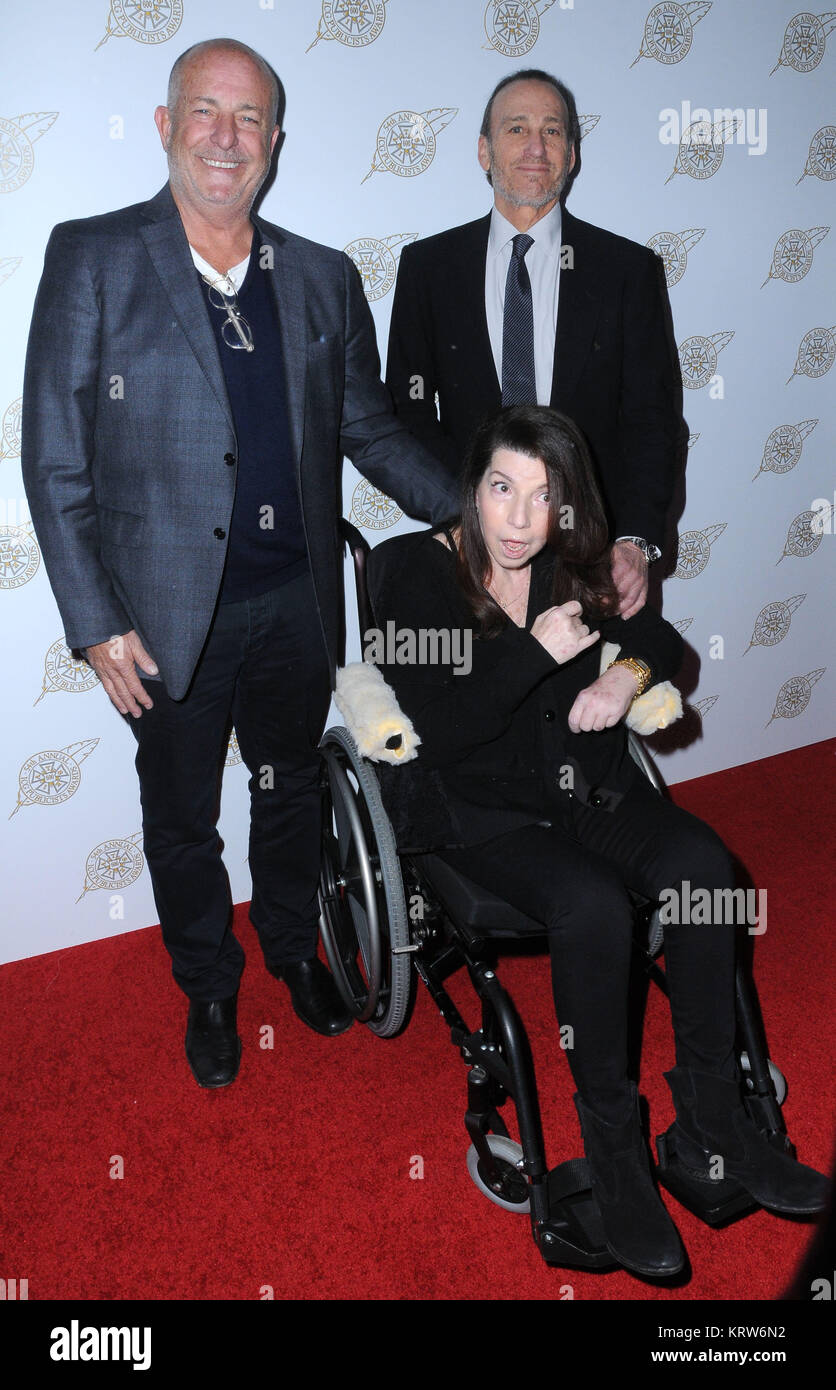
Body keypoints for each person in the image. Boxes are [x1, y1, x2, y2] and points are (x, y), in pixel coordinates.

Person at [21, 38, 457, 1089]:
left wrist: (473, 516)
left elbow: (368, 425)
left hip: (295, 602)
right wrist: (93, 618)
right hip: (162, 617)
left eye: (249, 117)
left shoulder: (320, 275)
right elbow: (53, 454)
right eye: (205, 112)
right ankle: (208, 984)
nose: (226, 137)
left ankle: (295, 950)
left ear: (274, 139)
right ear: (166, 126)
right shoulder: (93, 256)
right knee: (181, 817)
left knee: (288, 786)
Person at [367, 405, 828, 1278]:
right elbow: (440, 729)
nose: (517, 518)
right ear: (471, 488)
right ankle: (615, 1154)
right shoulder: (409, 574)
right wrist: (534, 653)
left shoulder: (573, 563)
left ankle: (715, 1122)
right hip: (481, 811)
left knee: (704, 868)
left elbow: (655, 637)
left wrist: (625, 676)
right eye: (501, 488)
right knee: (593, 905)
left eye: (542, 496)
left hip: (588, 786)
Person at [386, 68, 683, 620]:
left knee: (614, 680)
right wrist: (466, 514)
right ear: (484, 150)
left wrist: (635, 542)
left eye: (552, 131)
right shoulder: (429, 268)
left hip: (593, 556)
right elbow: (408, 411)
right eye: (517, 128)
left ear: (571, 155)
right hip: (468, 557)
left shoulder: (627, 271)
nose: (536, 147)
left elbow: (653, 420)